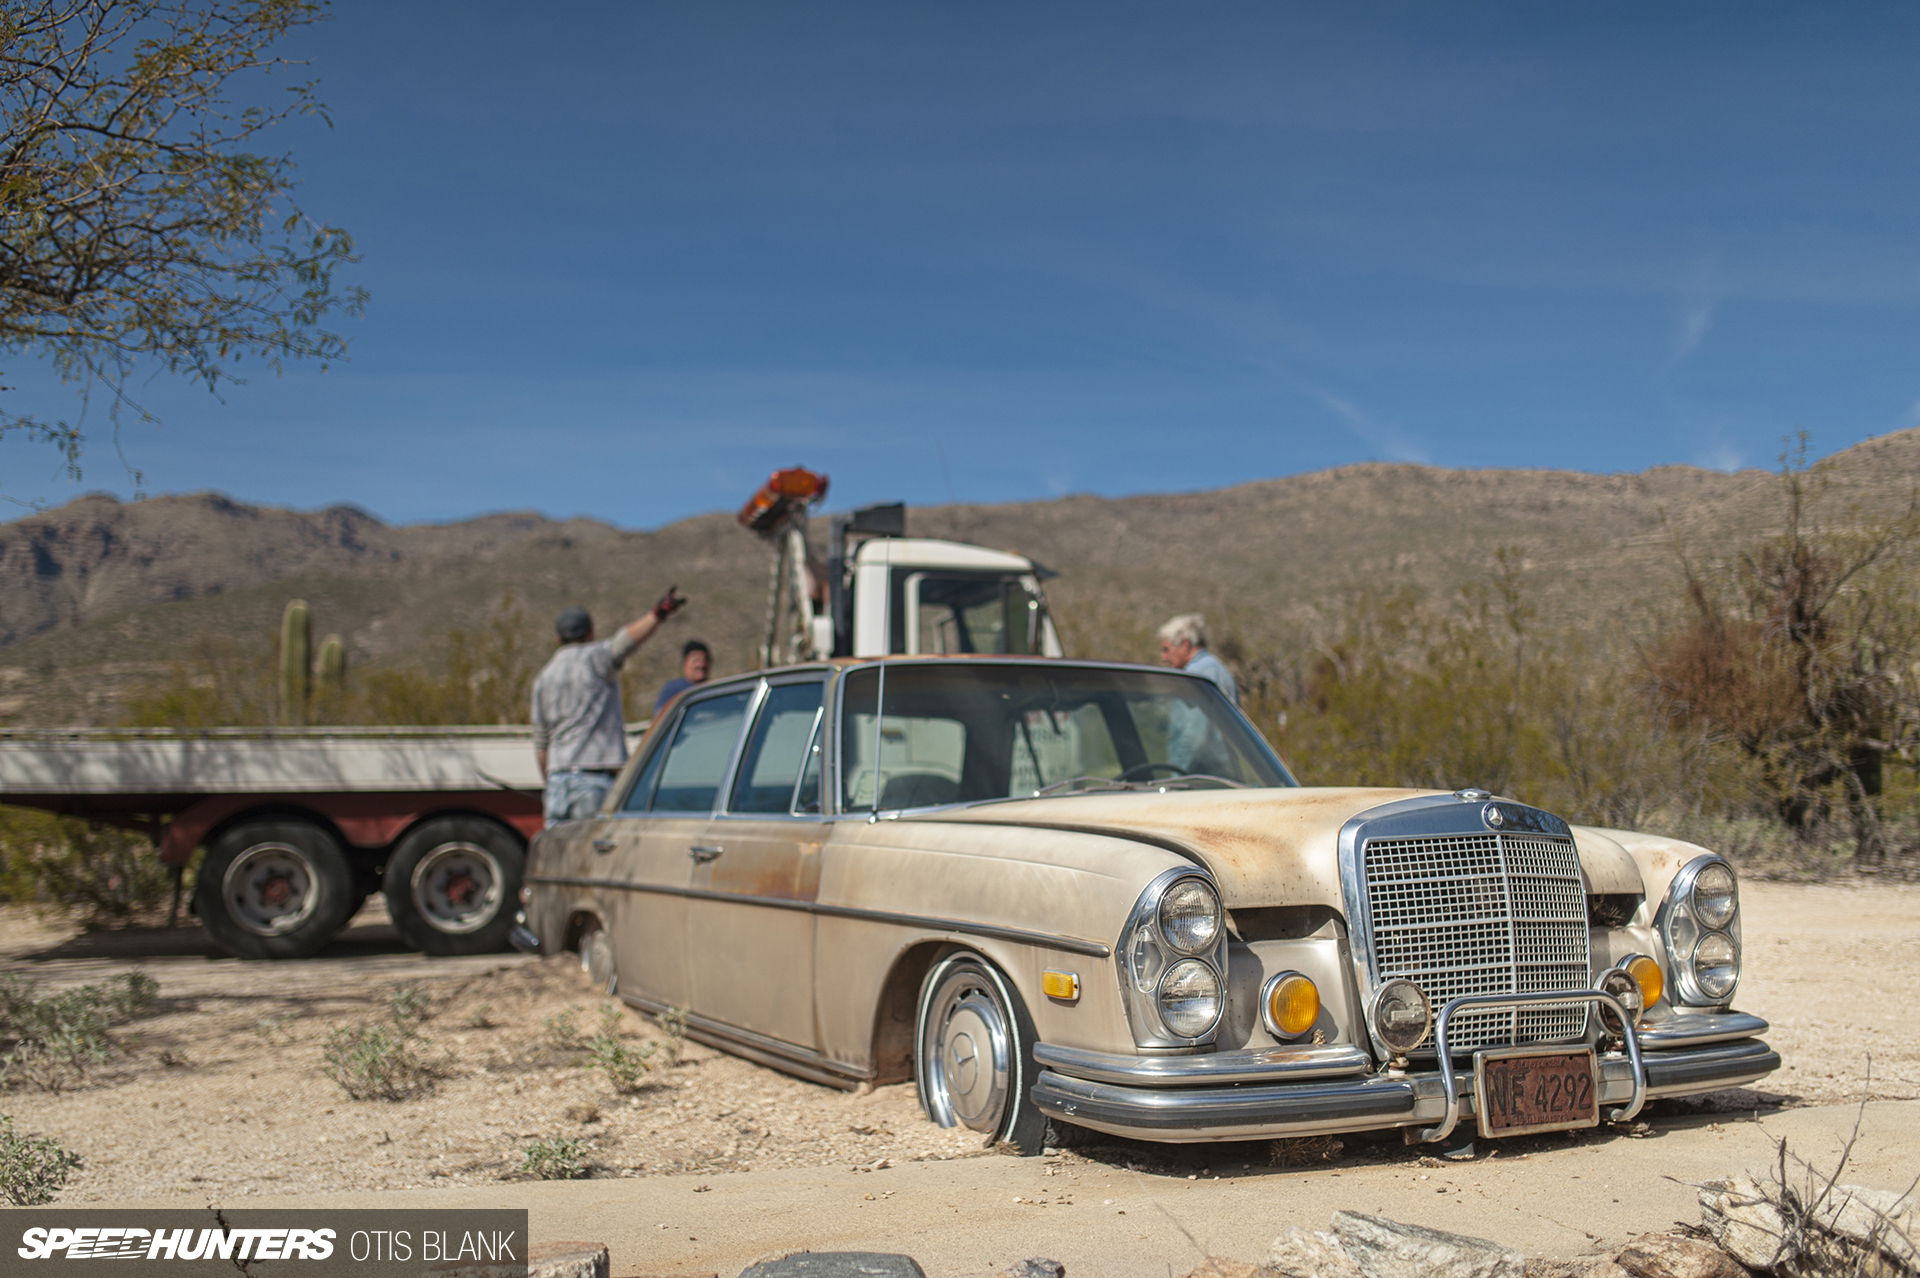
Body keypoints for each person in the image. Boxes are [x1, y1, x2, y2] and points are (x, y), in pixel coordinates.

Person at [532, 587, 686, 823]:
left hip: (558, 781)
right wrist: (658, 614)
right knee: (594, 857)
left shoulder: (543, 678)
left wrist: (553, 780)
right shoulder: (594, 658)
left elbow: (541, 745)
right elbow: (625, 642)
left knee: (558, 858)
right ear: (591, 632)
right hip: (593, 780)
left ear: (558, 638)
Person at [1157, 613, 1238, 703]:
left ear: (1185, 645)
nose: (1163, 657)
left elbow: (1187, 716)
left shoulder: (1194, 674)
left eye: (1166, 649)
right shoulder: (1215, 666)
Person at [653, 639, 712, 713]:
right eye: (695, 660)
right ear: (685, 663)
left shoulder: (713, 689)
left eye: (704, 660)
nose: (701, 665)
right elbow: (659, 716)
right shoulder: (674, 689)